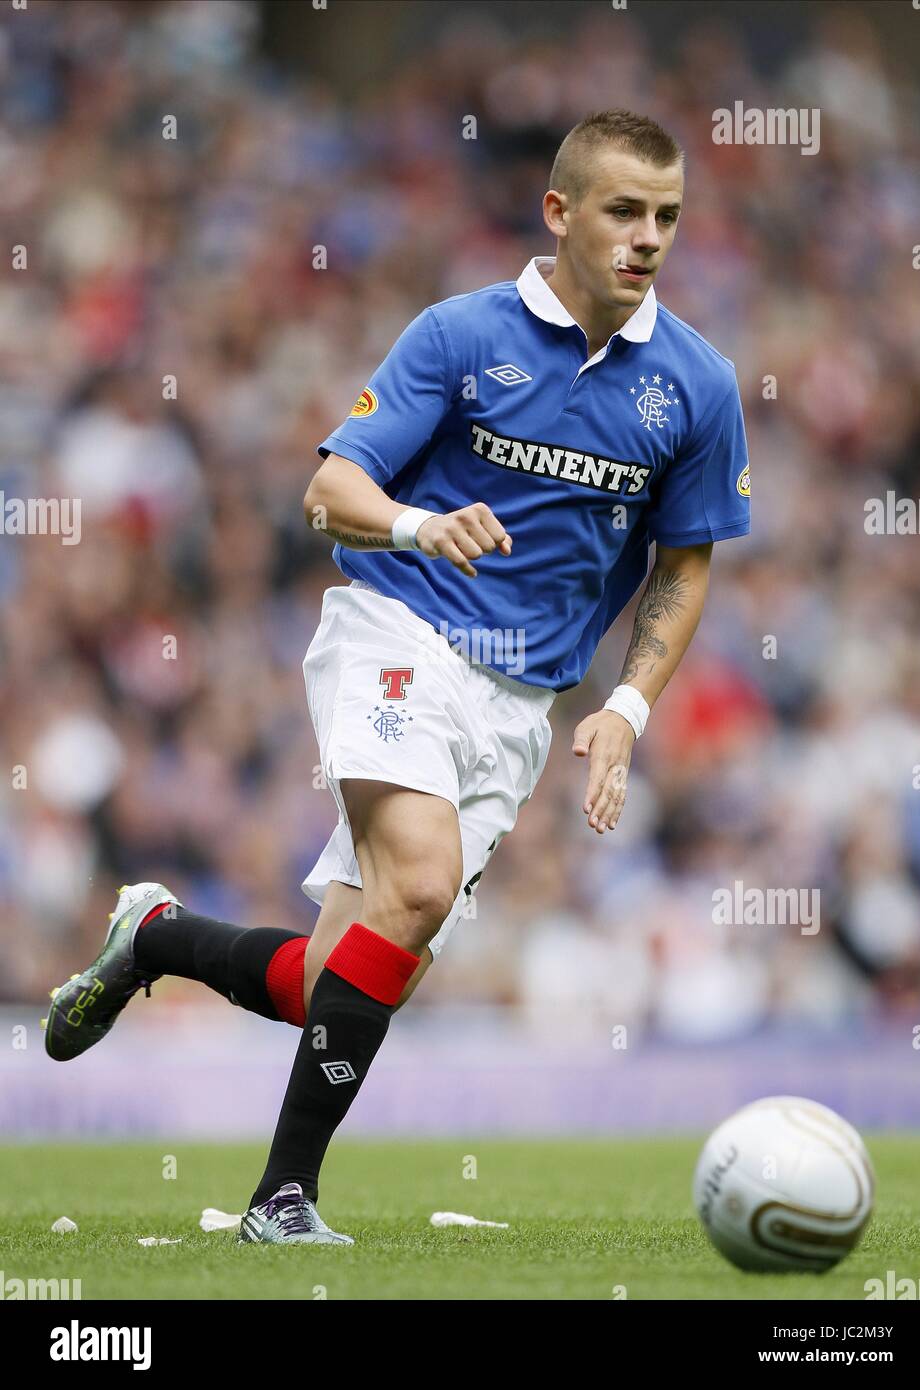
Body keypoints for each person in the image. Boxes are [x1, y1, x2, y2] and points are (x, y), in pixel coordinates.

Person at [43, 109, 750, 1245]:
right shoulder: (460, 336)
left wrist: (625, 706)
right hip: (398, 630)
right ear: (559, 212)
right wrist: (422, 526)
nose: (648, 237)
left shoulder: (698, 386)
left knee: (338, 971)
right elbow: (330, 492)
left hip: (521, 705)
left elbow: (683, 565)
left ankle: (158, 936)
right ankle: (283, 1200)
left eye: (666, 215)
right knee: (418, 881)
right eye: (624, 210)